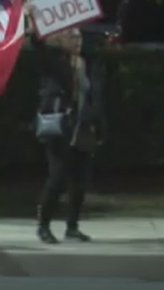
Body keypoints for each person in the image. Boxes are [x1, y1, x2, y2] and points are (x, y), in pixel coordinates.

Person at [29, 24, 106, 244]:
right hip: (61, 127)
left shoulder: (89, 64)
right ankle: (43, 225)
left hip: (83, 127)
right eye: (71, 36)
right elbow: (39, 50)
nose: (76, 39)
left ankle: (72, 227)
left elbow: (96, 98)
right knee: (57, 177)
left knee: (80, 181)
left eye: (78, 36)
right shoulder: (55, 63)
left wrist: (99, 127)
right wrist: (34, 28)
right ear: (60, 40)